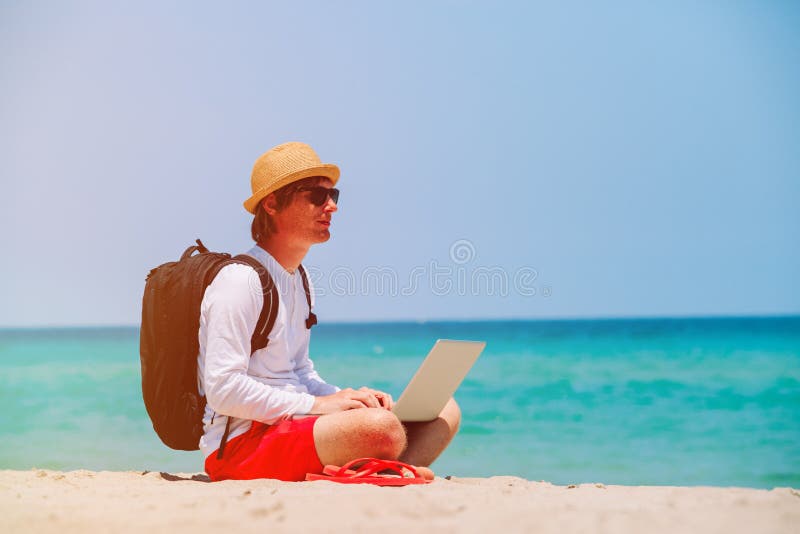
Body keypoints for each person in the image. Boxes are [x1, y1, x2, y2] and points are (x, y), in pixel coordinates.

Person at [197, 141, 461, 481]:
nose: (332, 207)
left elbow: (300, 372)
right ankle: (384, 466)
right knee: (380, 428)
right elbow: (223, 389)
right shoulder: (239, 281)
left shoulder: (299, 280)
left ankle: (384, 468)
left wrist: (344, 397)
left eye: (334, 195)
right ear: (273, 203)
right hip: (241, 447)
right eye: (317, 197)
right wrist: (319, 407)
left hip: (297, 425)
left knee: (443, 410)